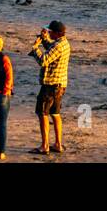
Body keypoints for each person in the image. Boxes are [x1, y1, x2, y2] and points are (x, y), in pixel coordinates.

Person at [29, 21, 70, 155]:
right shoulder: (63, 43)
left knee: (42, 114)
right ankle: (58, 144)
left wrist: (35, 48)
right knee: (55, 114)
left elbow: (44, 60)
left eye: (50, 31)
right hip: (60, 85)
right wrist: (45, 39)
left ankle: (44, 145)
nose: (49, 33)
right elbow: (51, 49)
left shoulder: (58, 46)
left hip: (50, 86)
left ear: (57, 33)